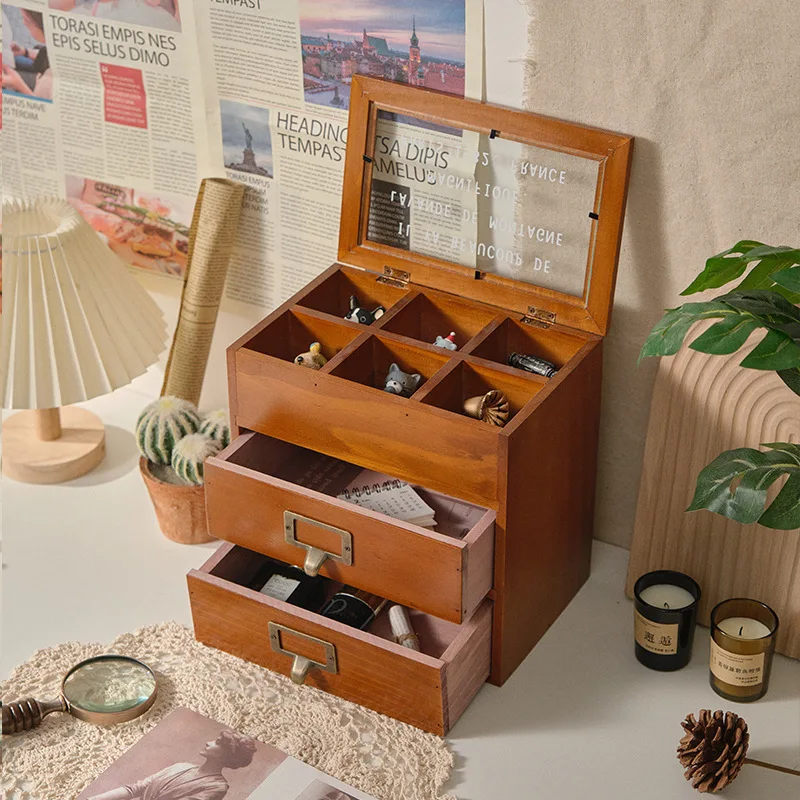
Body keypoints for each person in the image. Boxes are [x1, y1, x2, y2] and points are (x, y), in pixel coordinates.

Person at [86, 730, 257, 800]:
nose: (208, 743)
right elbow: (134, 789)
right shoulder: (181, 766)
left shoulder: (217, 786)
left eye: (217, 743)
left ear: (228, 754)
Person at [2, 11, 52, 100]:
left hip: (36, 94)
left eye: (27, 20)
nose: (24, 23)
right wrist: (25, 52)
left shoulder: (48, 84)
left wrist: (19, 86)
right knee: (16, 59)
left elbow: (42, 108)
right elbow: (48, 57)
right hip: (40, 74)